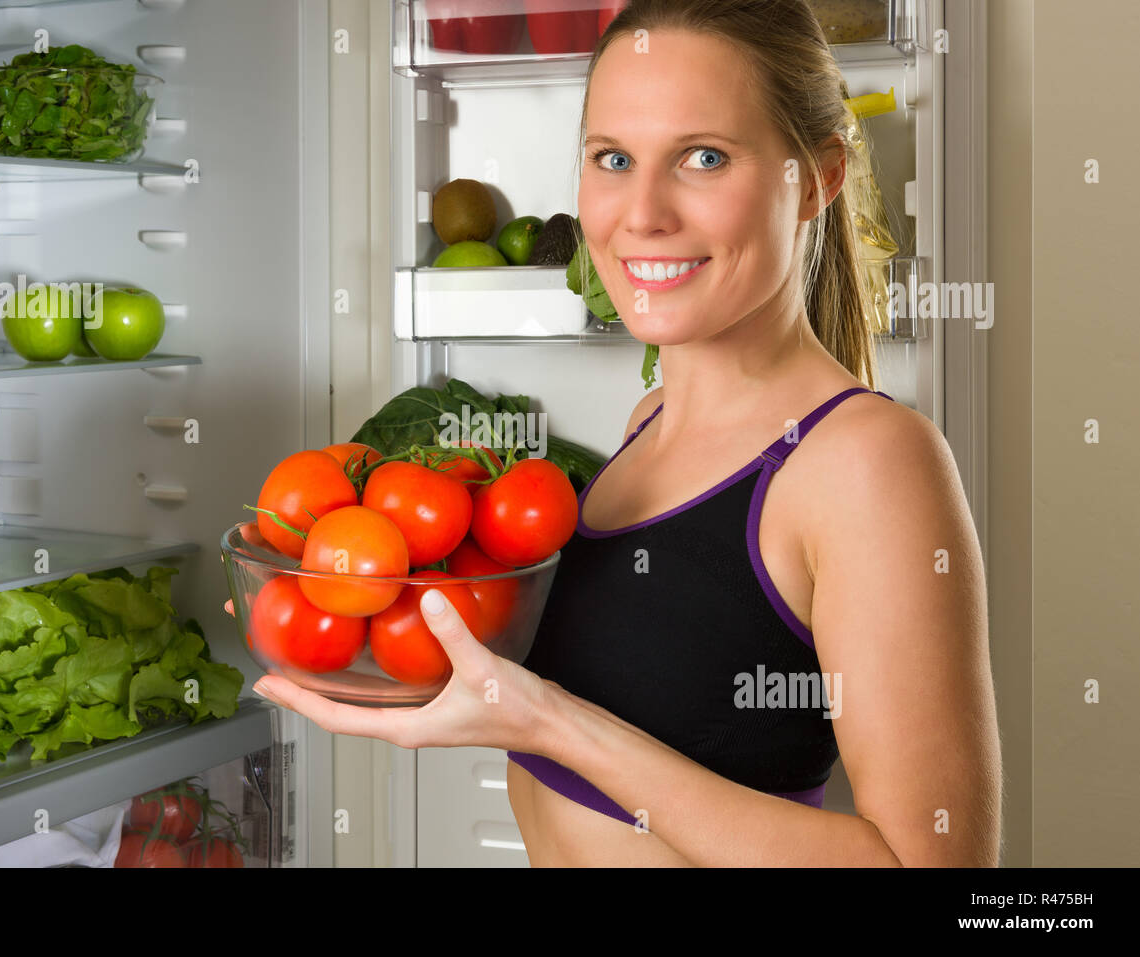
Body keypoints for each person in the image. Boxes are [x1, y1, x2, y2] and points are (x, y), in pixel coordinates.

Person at [246, 0, 1002, 867]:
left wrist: (550, 722)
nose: (641, 214)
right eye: (613, 159)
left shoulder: (866, 461)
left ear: (818, 176)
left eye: (704, 157)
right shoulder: (649, 424)